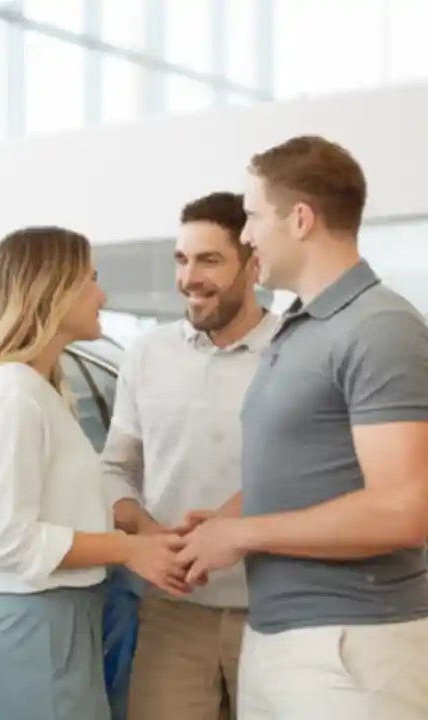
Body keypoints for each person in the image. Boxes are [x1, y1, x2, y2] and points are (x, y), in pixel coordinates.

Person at [178, 135, 428, 718]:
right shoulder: (304, 327)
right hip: (284, 638)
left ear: (300, 219)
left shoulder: (380, 327)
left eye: (253, 216)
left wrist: (242, 536)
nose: (244, 235)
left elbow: (407, 509)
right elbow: (313, 469)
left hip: (353, 646)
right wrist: (225, 521)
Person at [0, 226, 190, 720]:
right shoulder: (11, 394)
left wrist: (143, 530)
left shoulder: (39, 390)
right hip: (37, 633)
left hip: (62, 627)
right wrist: (130, 549)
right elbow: (8, 541)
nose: (102, 294)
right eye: (91, 279)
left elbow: (68, 500)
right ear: (52, 288)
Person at [100, 191, 277, 720]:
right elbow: (115, 468)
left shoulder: (296, 350)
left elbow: (321, 474)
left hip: (275, 610)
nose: (189, 277)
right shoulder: (147, 354)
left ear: (254, 265)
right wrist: (148, 535)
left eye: (210, 260)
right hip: (172, 611)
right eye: (182, 259)